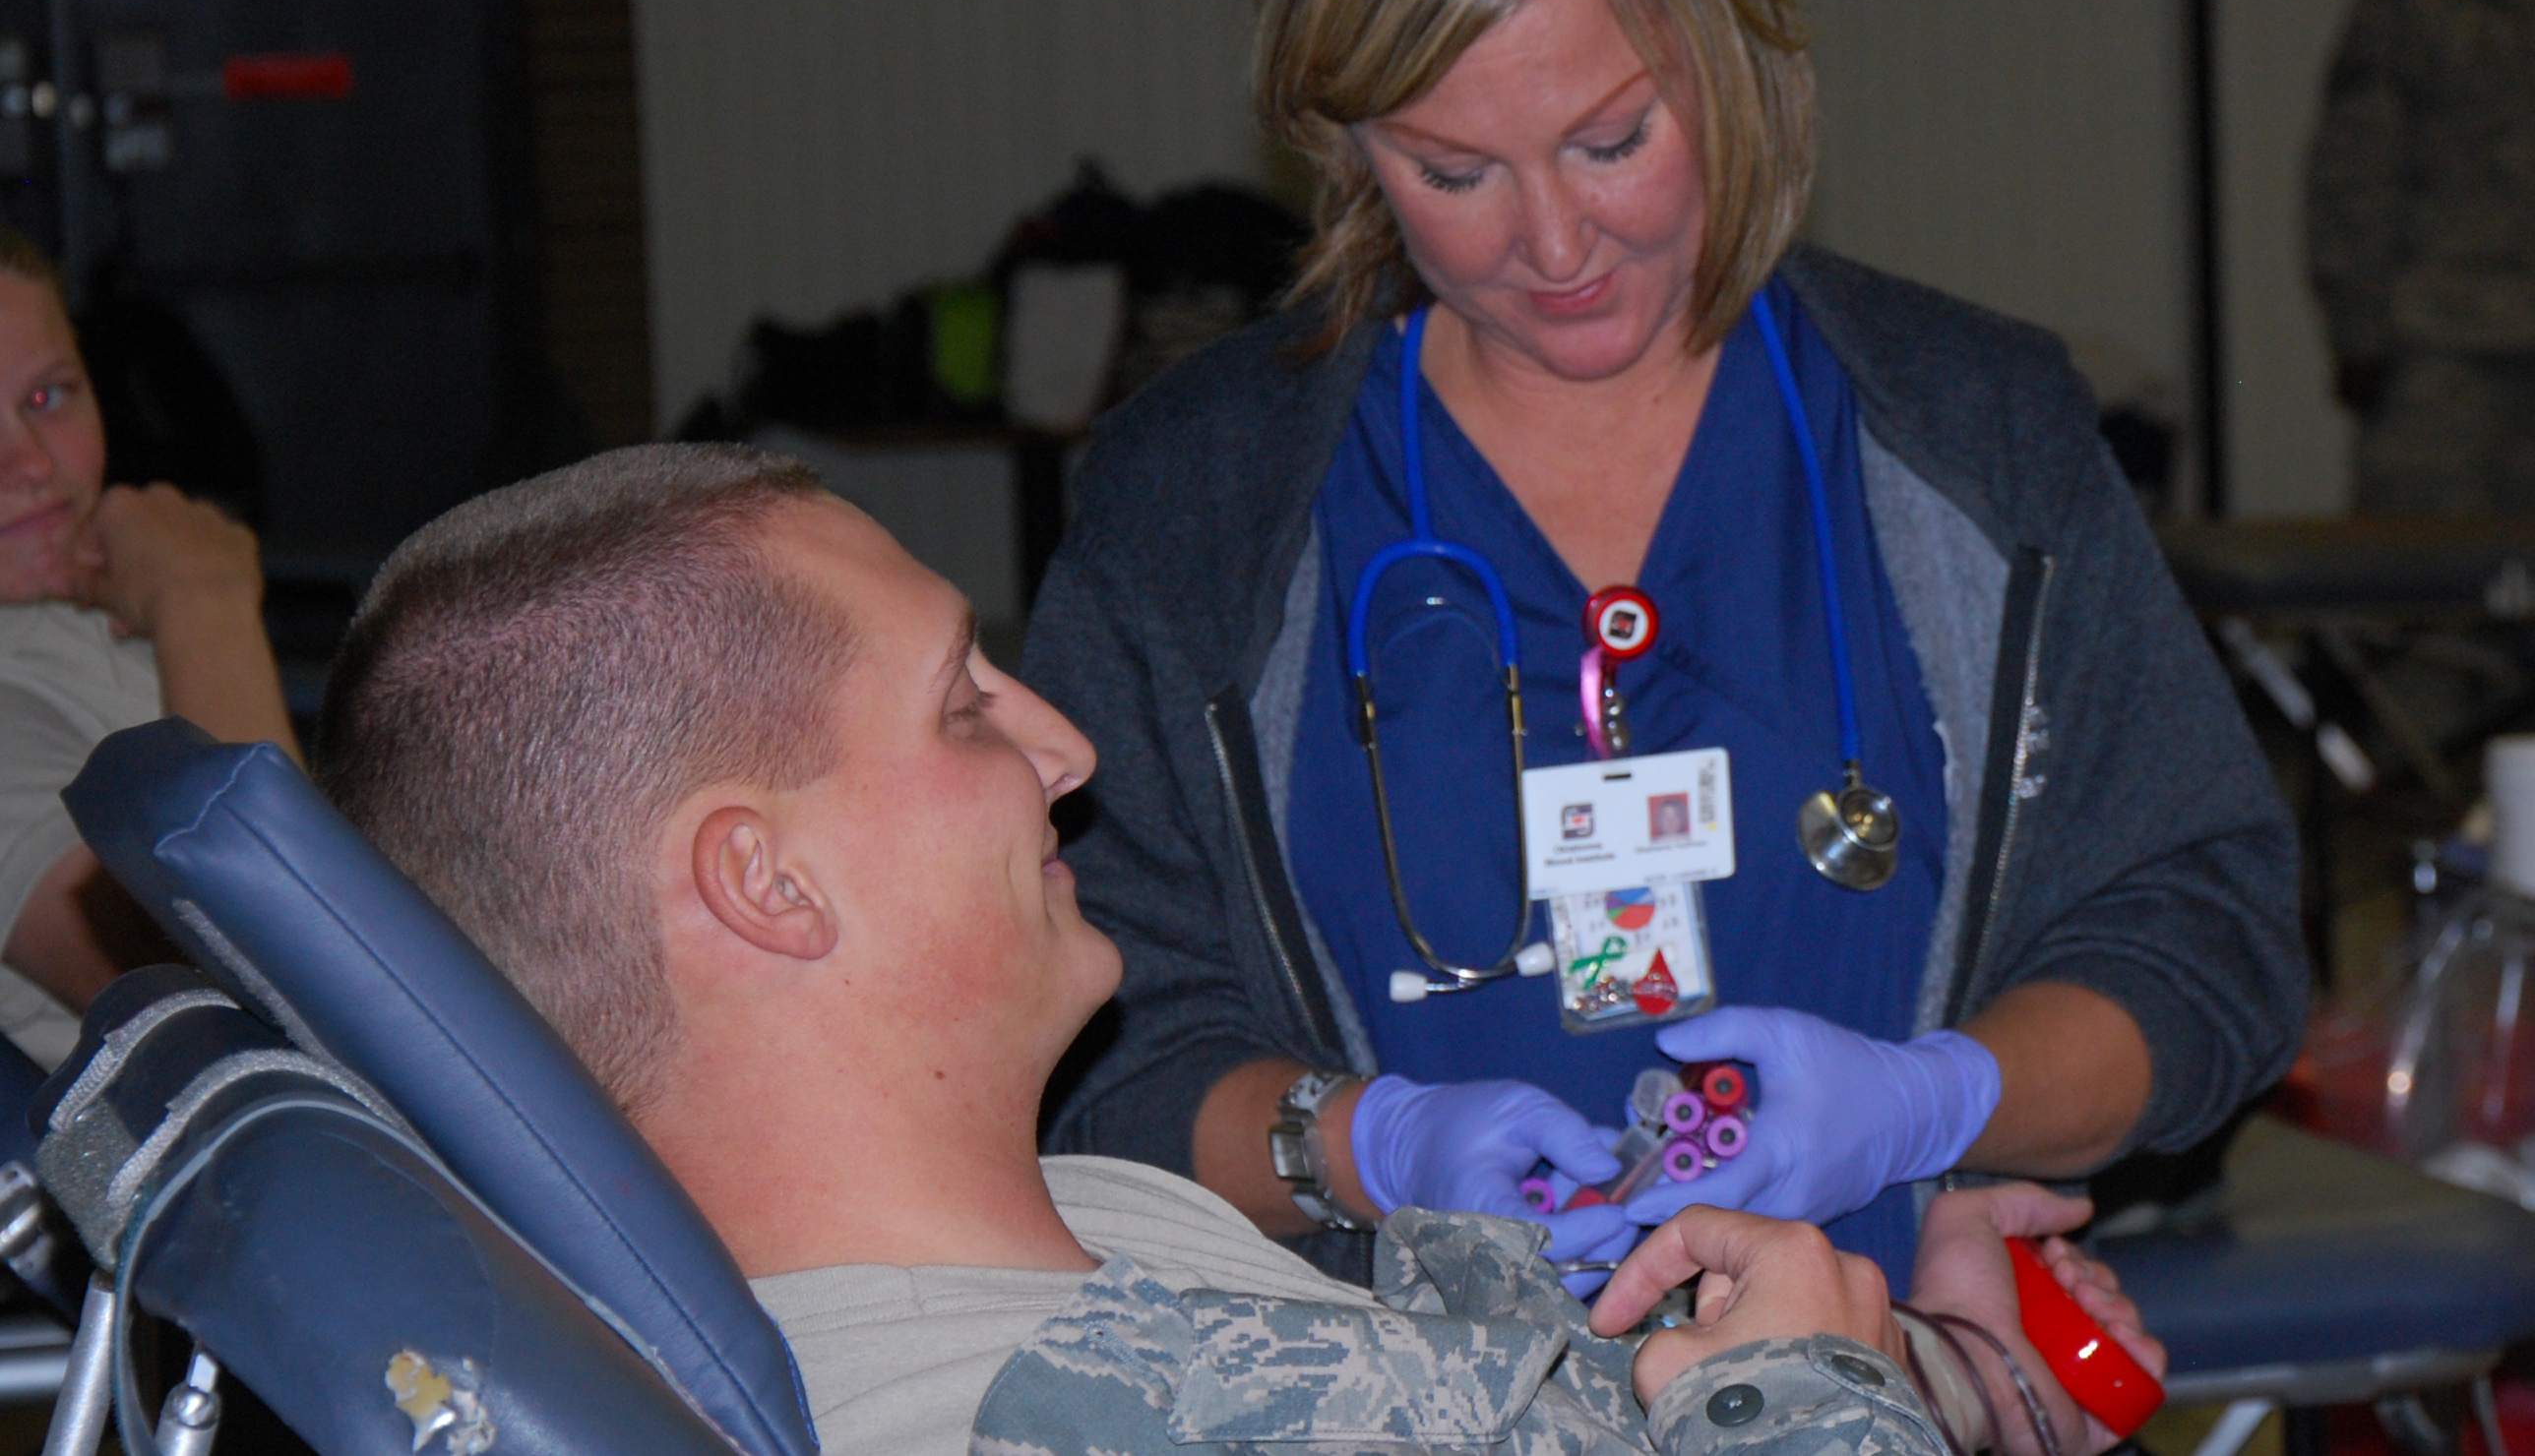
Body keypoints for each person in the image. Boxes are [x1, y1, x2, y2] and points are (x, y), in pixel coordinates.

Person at [1023, 0, 2305, 1294]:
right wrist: (1361, 1147)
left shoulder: (1972, 440)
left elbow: (2202, 941)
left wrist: (1937, 1108)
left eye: (1613, 139)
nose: (1555, 243)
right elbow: (1083, 1056)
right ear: (1343, 141)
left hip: (1866, 1371)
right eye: (1453, 171)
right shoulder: (1197, 508)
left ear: (1729, 55)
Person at [312, 444, 2163, 1456]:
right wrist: (1813, 1403)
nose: (1063, 747)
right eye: (962, 705)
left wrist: (1939, 1364)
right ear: (765, 883)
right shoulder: (1035, 1422)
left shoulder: (1082, 1230)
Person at [0, 226, 298, 1064]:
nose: (28, 462)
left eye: (47, 396)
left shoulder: (81, 608)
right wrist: (202, 600)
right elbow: (284, 987)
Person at [2309, 0, 2535, 513]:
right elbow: (2354, 179)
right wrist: (2358, 335)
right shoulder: (2403, 5)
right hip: (2440, 347)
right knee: (2420, 552)